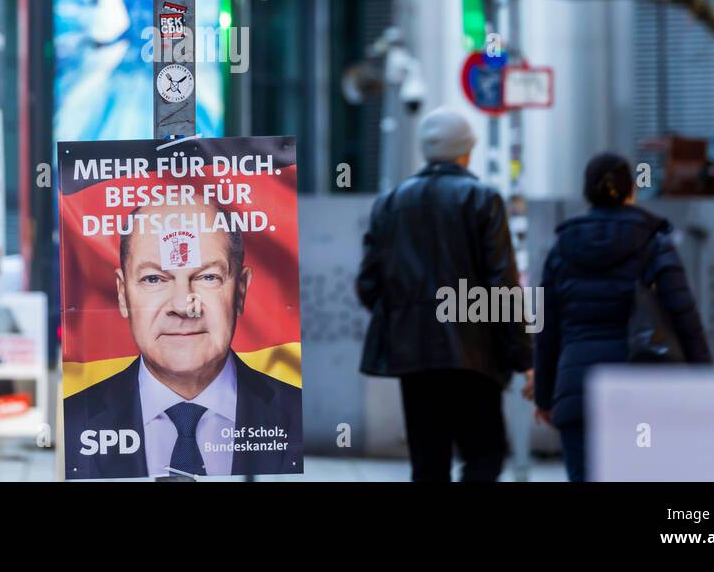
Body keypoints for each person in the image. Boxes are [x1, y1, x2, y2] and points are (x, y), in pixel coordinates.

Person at [62, 198, 303, 479]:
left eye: (207, 277)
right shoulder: (73, 422)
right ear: (122, 293)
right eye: (154, 279)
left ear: (241, 290)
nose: (183, 306)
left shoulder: (297, 416)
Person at [357, 106, 532, 482]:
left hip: (414, 356)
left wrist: (406, 316)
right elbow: (502, 285)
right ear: (466, 150)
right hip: (475, 355)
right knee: (485, 454)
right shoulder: (483, 199)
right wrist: (522, 357)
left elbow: (369, 284)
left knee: (427, 464)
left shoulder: (390, 203)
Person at [532, 152, 712, 482]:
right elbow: (685, 317)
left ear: (588, 193)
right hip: (640, 393)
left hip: (578, 394)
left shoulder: (561, 249)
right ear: (631, 191)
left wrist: (545, 396)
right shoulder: (655, 243)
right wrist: (705, 383)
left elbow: (545, 330)